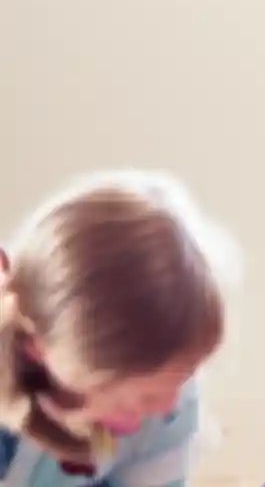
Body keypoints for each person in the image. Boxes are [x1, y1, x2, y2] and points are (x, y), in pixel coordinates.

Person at [0, 170, 232, 486]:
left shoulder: (169, 407)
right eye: (140, 399)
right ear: (40, 350)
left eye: (185, 376)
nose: (169, 404)